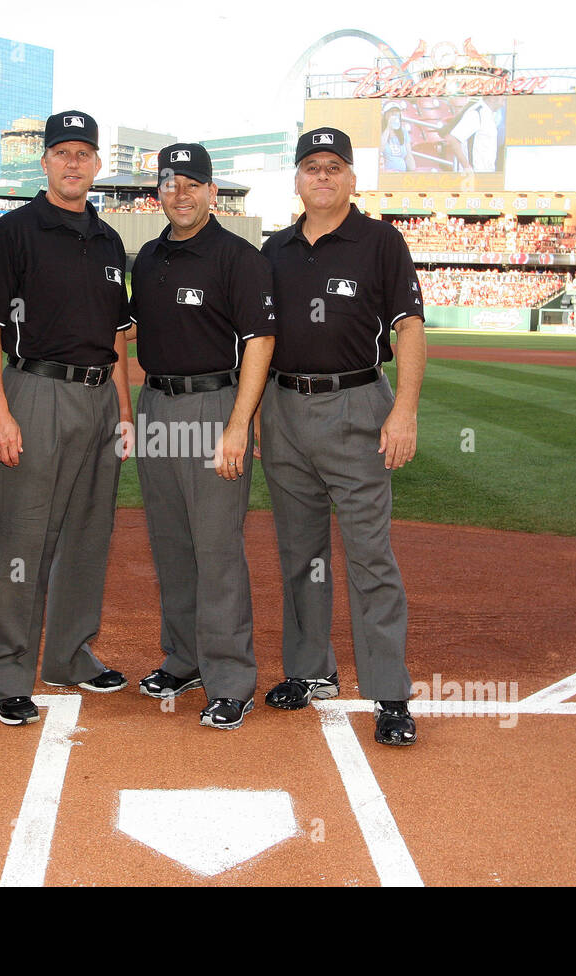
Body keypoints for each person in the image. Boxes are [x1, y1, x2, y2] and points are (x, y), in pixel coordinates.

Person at [258, 126, 427, 746]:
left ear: (351, 178)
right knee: (301, 554)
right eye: (311, 168)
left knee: (369, 557)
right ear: (297, 179)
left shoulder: (379, 240)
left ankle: (389, 693)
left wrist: (403, 410)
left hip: (358, 406)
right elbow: (257, 342)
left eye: (334, 167)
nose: (322, 177)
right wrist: (252, 416)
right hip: (283, 409)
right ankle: (309, 672)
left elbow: (409, 327)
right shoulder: (273, 249)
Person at [0, 110, 133, 726]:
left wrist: (123, 411)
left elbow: (118, 338)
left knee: (89, 535)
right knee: (23, 538)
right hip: (35, 391)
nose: (73, 162)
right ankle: (6, 669)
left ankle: (69, 654)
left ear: (96, 164)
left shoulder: (111, 239)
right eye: (61, 152)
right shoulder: (12, 232)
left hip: (98, 398)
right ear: (44, 162)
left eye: (83, 153)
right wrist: (0, 412)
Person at [129, 144, 276, 730]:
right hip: (156, 405)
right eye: (171, 183)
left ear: (213, 192)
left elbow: (259, 342)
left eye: (194, 184)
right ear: (159, 191)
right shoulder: (147, 259)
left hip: (214, 405)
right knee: (172, 546)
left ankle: (231, 677)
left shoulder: (238, 256)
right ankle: (184, 658)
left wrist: (239, 424)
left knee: (217, 552)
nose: (182, 193)